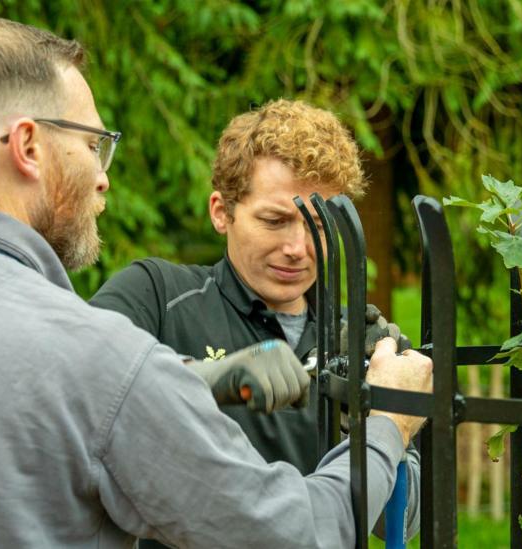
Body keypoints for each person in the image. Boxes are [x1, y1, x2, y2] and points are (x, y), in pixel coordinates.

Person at [0, 18, 433, 549]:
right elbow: (294, 533)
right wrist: (387, 426)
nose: (103, 174)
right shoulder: (99, 355)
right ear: (29, 146)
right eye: (93, 142)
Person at [90, 99, 422, 541]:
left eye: (318, 226)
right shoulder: (157, 295)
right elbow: (77, 382)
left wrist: (375, 422)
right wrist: (210, 378)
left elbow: (401, 522)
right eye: (275, 220)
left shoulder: (358, 340)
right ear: (221, 212)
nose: (298, 248)